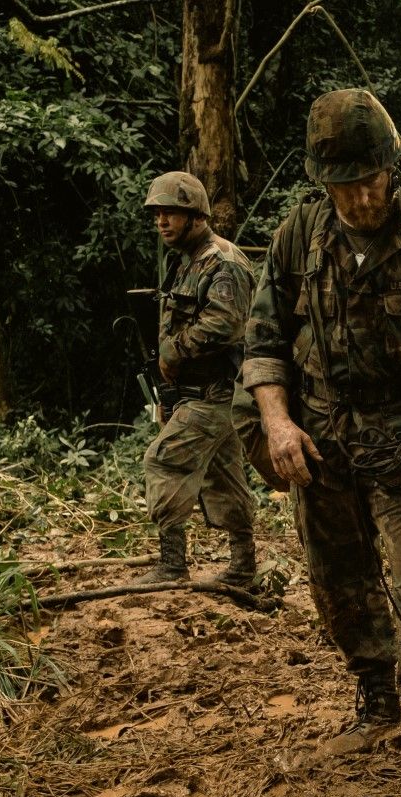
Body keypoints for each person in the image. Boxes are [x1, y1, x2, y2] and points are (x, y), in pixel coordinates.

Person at [241, 88, 401, 794]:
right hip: (319, 441)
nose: (359, 197)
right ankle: (375, 697)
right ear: (321, 183)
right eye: (342, 184)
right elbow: (263, 342)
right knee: (337, 579)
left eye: (369, 179)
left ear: (393, 169)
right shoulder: (297, 238)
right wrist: (276, 421)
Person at [141, 170, 258, 586]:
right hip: (204, 392)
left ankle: (172, 565)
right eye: (157, 215)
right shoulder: (185, 261)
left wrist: (175, 350)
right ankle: (243, 568)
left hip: (216, 391)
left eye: (171, 213)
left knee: (164, 460)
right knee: (225, 476)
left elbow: (226, 324)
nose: (162, 223)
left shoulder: (221, 261)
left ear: (196, 214)